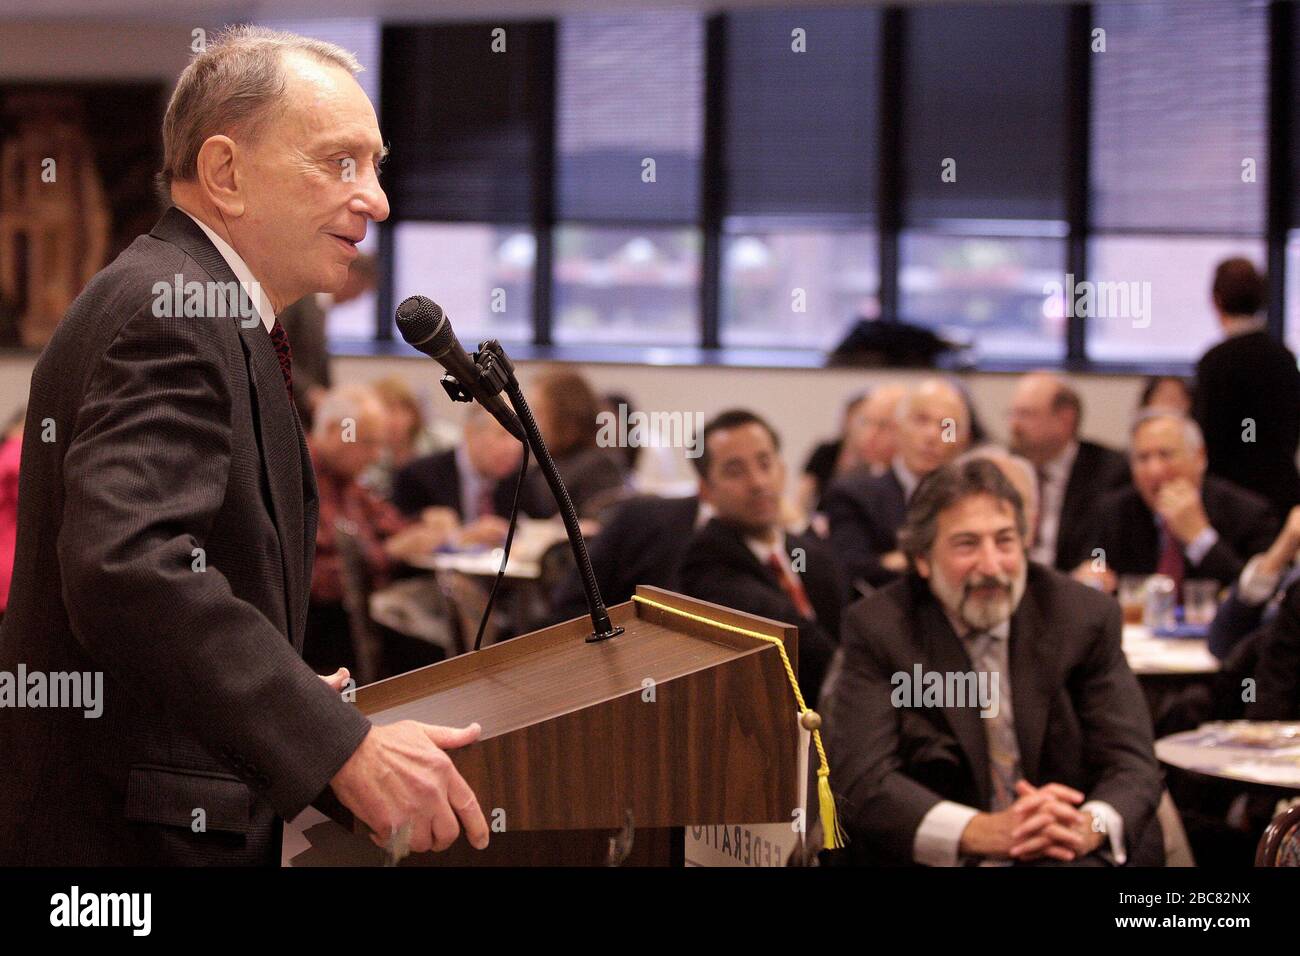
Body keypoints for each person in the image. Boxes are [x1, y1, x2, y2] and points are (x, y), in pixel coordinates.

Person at [0, 27, 487, 864]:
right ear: (226, 172)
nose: (375, 201)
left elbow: (192, 570)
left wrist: (288, 699)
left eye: (375, 167)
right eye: (340, 163)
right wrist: (338, 746)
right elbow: (129, 568)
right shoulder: (172, 311)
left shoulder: (202, 303)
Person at [827, 459, 1164, 866]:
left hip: (1065, 850)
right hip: (945, 854)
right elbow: (863, 779)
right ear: (922, 559)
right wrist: (980, 832)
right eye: (966, 545)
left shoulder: (1084, 617)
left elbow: (1132, 762)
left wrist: (1085, 825)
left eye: (1004, 541)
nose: (991, 567)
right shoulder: (880, 629)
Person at [677, 410, 846, 707]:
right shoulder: (705, 560)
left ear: (782, 470)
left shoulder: (809, 551)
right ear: (706, 491)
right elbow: (795, 638)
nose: (757, 482)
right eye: (735, 471)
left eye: (765, 464)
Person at [1087, 411, 1277, 591]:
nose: (1154, 470)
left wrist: (1200, 539)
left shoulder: (1248, 513)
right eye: (1143, 458)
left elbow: (1257, 594)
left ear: (1199, 457)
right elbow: (1093, 568)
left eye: (1165, 455)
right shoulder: (1113, 512)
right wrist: (1091, 578)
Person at [823, 377, 971, 592]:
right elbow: (849, 569)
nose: (932, 435)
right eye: (920, 421)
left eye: (947, 426)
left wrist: (898, 560)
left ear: (962, 440)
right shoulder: (854, 495)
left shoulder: (972, 498)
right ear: (898, 428)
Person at [1194, 257, 1300, 517]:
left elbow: (1207, 434)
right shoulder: (1284, 358)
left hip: (1230, 497)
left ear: (1216, 300)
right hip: (1282, 491)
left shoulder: (1215, 362)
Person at [1007, 372, 1129, 571]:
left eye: (1026, 414)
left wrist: (1095, 568)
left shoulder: (1109, 472)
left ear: (1065, 418)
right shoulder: (1006, 468)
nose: (1014, 425)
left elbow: (1104, 548)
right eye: (1012, 414)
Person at [390, 404, 524, 550]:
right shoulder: (418, 477)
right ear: (470, 433)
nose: (514, 447)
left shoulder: (517, 478)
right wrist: (461, 536)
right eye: (502, 435)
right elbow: (399, 542)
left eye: (519, 437)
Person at [277, 253, 377, 429]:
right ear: (352, 277)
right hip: (286, 408)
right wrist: (308, 392)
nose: (355, 300)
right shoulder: (300, 300)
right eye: (360, 292)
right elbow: (274, 349)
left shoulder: (320, 308)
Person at [523, 368, 626, 519]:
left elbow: (603, 521)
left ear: (564, 416)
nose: (534, 423)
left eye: (540, 413)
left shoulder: (599, 464)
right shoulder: (544, 456)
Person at [800, 385, 906, 515]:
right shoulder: (854, 479)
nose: (870, 435)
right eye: (866, 423)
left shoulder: (916, 482)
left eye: (883, 425)